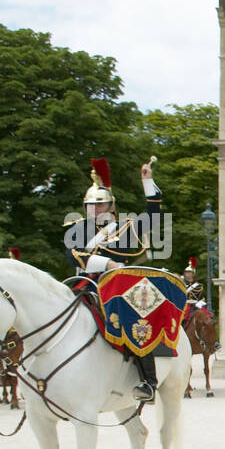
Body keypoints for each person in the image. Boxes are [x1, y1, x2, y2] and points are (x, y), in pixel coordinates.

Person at [64, 157, 165, 401]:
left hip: (116, 282)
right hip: (84, 281)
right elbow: (73, 255)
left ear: (111, 206)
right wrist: (105, 262)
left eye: (100, 206)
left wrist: (148, 181)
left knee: (134, 317)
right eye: (90, 206)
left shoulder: (124, 229)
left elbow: (154, 217)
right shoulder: (76, 229)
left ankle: (148, 382)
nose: (94, 210)